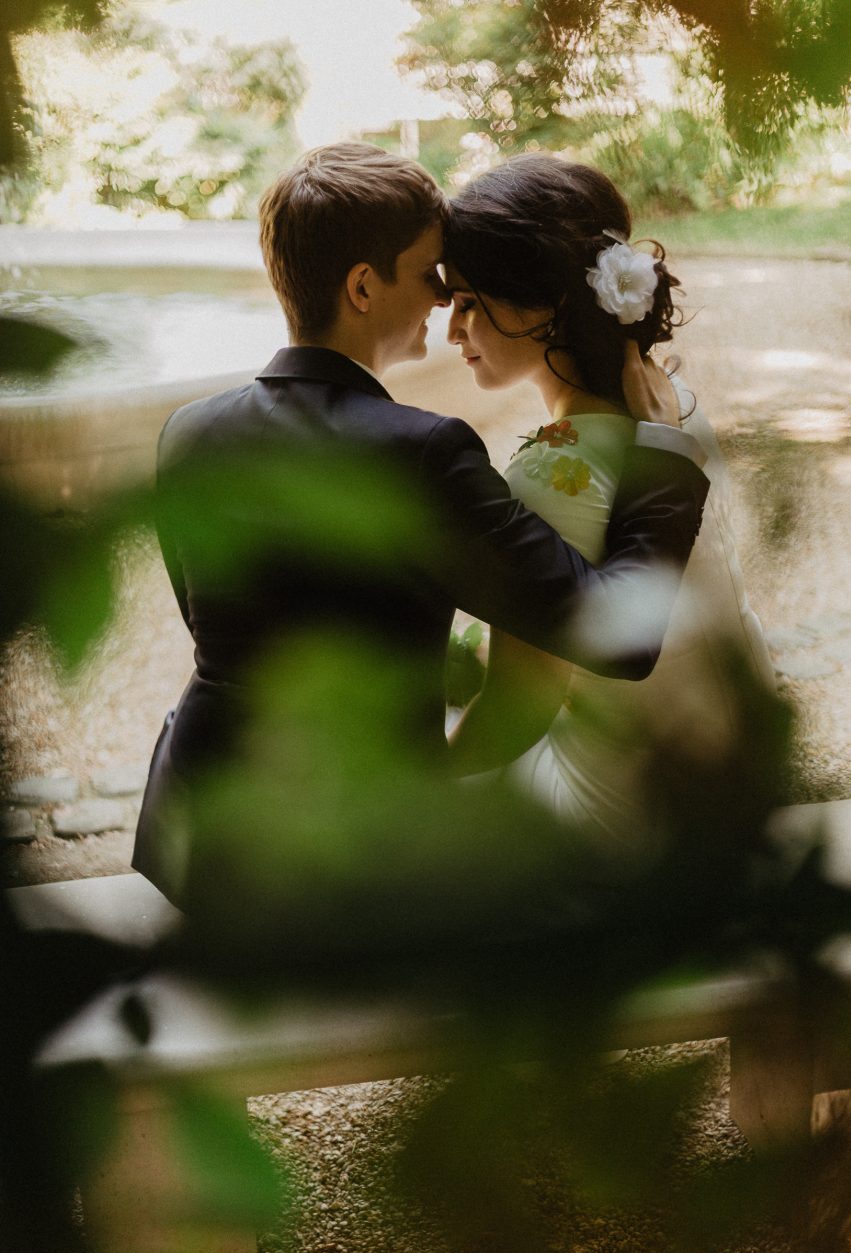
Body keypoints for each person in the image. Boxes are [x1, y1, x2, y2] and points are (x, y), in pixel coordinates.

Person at [131, 143, 709, 906]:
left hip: (196, 837)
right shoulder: (423, 451)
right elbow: (622, 636)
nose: (445, 301)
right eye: (432, 276)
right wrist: (665, 453)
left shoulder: (189, 433)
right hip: (356, 858)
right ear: (364, 287)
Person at [443, 153, 774, 849]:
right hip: (731, 767)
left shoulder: (550, 468)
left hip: (628, 822)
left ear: (550, 308)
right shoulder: (667, 408)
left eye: (470, 302)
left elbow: (518, 710)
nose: (452, 331)